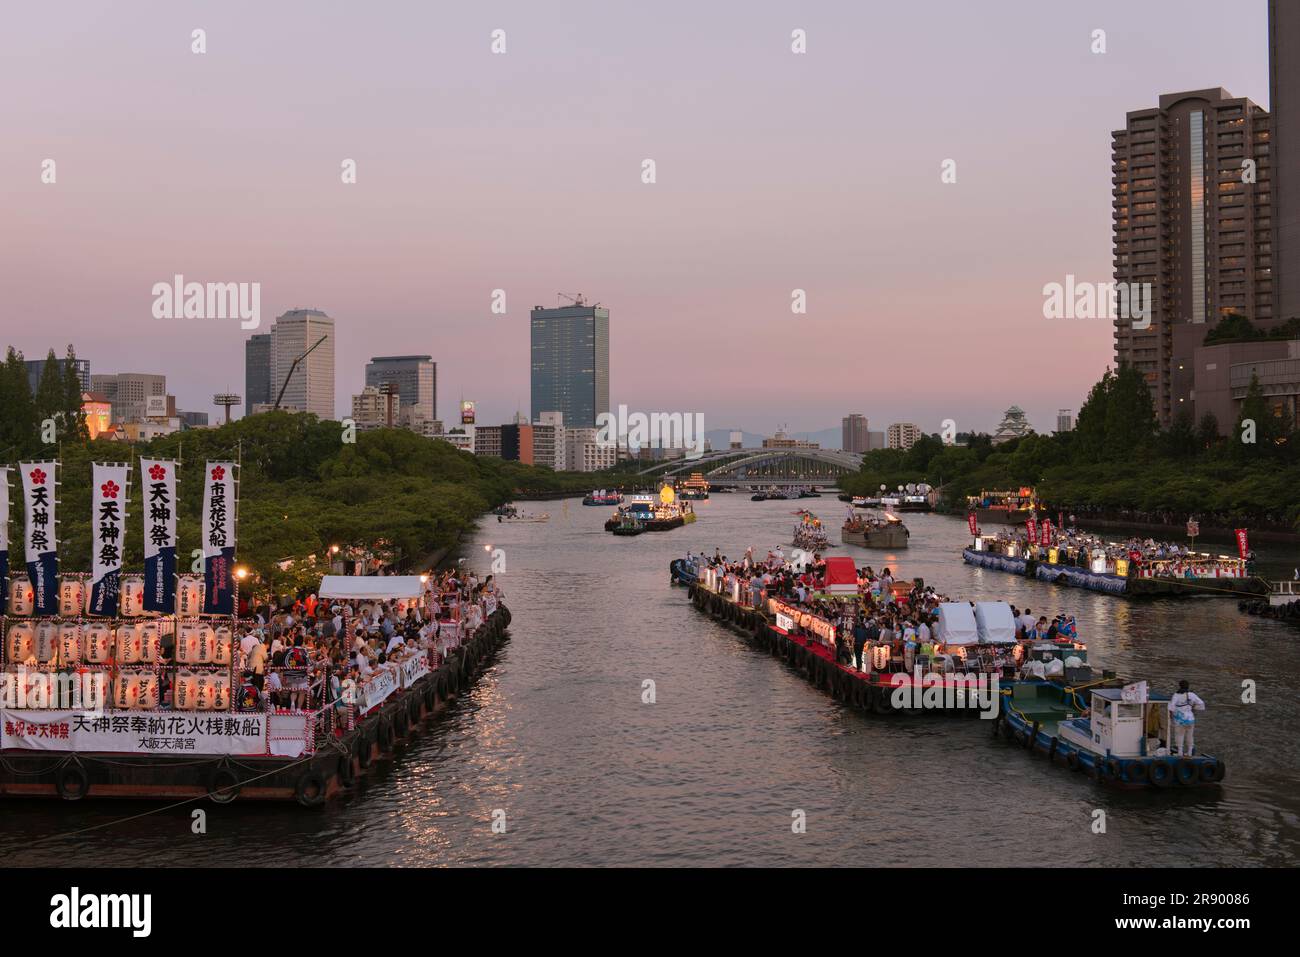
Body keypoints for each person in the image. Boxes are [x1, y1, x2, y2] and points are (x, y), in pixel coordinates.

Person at [1170, 680, 1206, 756]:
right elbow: (1202, 704)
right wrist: (1194, 707)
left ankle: (1180, 753)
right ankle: (1189, 753)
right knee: (1190, 735)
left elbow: (1171, 707)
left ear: (1180, 686)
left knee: (1179, 735)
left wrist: (1171, 716)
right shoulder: (1192, 695)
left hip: (1179, 720)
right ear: (1188, 686)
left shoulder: (1176, 695)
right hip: (1190, 719)